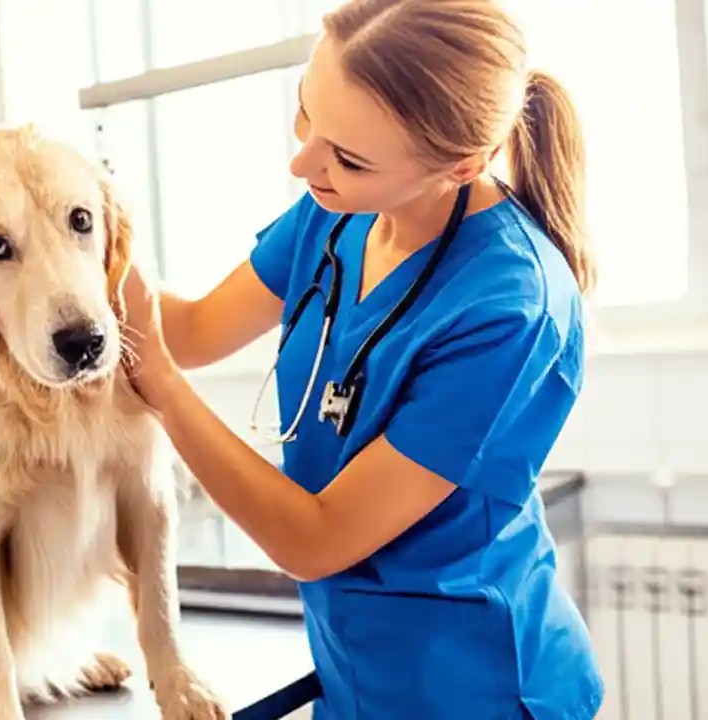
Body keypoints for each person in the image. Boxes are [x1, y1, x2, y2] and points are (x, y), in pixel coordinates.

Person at [118, 1, 605, 718]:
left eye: (348, 156)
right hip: (353, 671)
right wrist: (81, 247)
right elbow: (189, 331)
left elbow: (315, 539)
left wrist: (163, 388)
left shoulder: (509, 305)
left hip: (472, 686)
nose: (304, 160)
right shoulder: (334, 207)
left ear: (461, 164)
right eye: (305, 112)